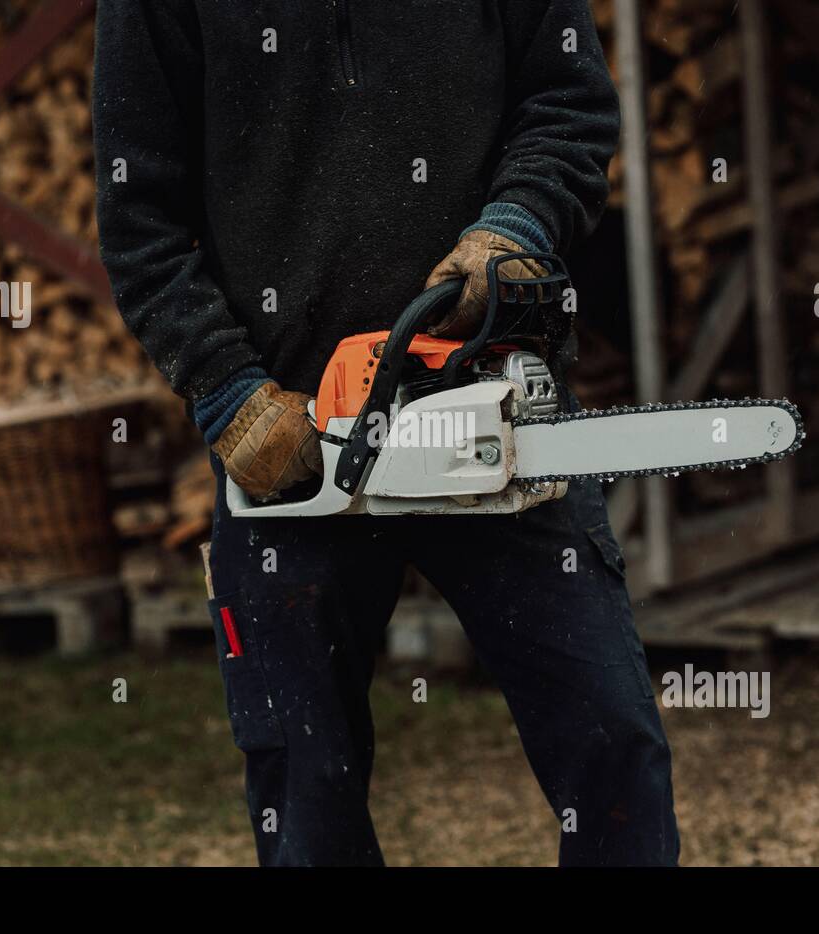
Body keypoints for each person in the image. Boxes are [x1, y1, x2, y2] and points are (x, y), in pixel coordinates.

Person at [93, 0, 678, 866]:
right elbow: (140, 218)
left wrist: (514, 225)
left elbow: (570, 103)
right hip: (293, 437)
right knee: (305, 790)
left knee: (610, 738)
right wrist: (226, 391)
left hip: (491, 403)